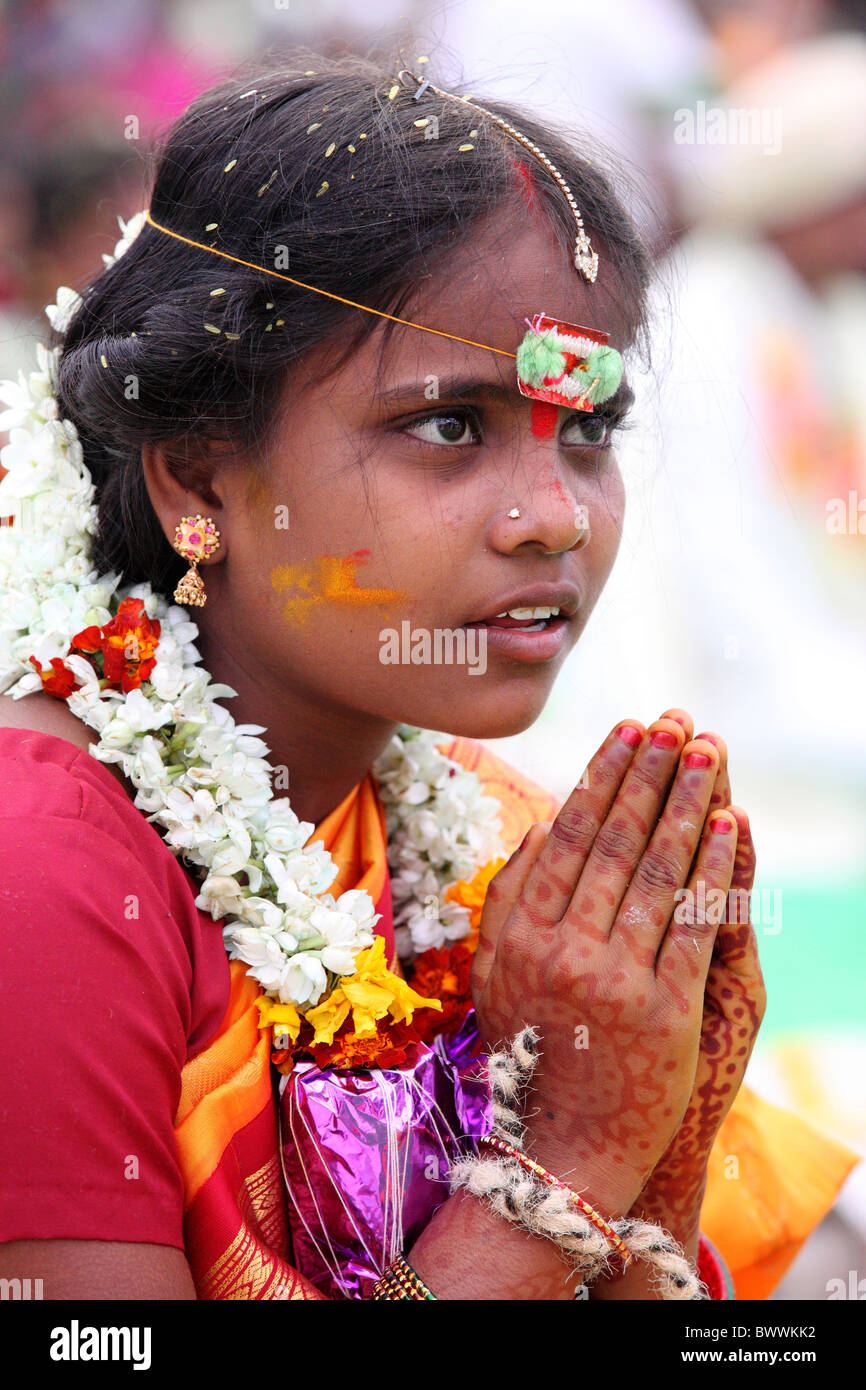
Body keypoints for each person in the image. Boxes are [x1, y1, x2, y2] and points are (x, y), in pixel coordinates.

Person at [0, 51, 855, 1301]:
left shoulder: (493, 844)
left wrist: (659, 1147)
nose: (553, 517)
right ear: (196, 479)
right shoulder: (50, 879)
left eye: (587, 431)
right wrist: (561, 1159)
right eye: (448, 426)